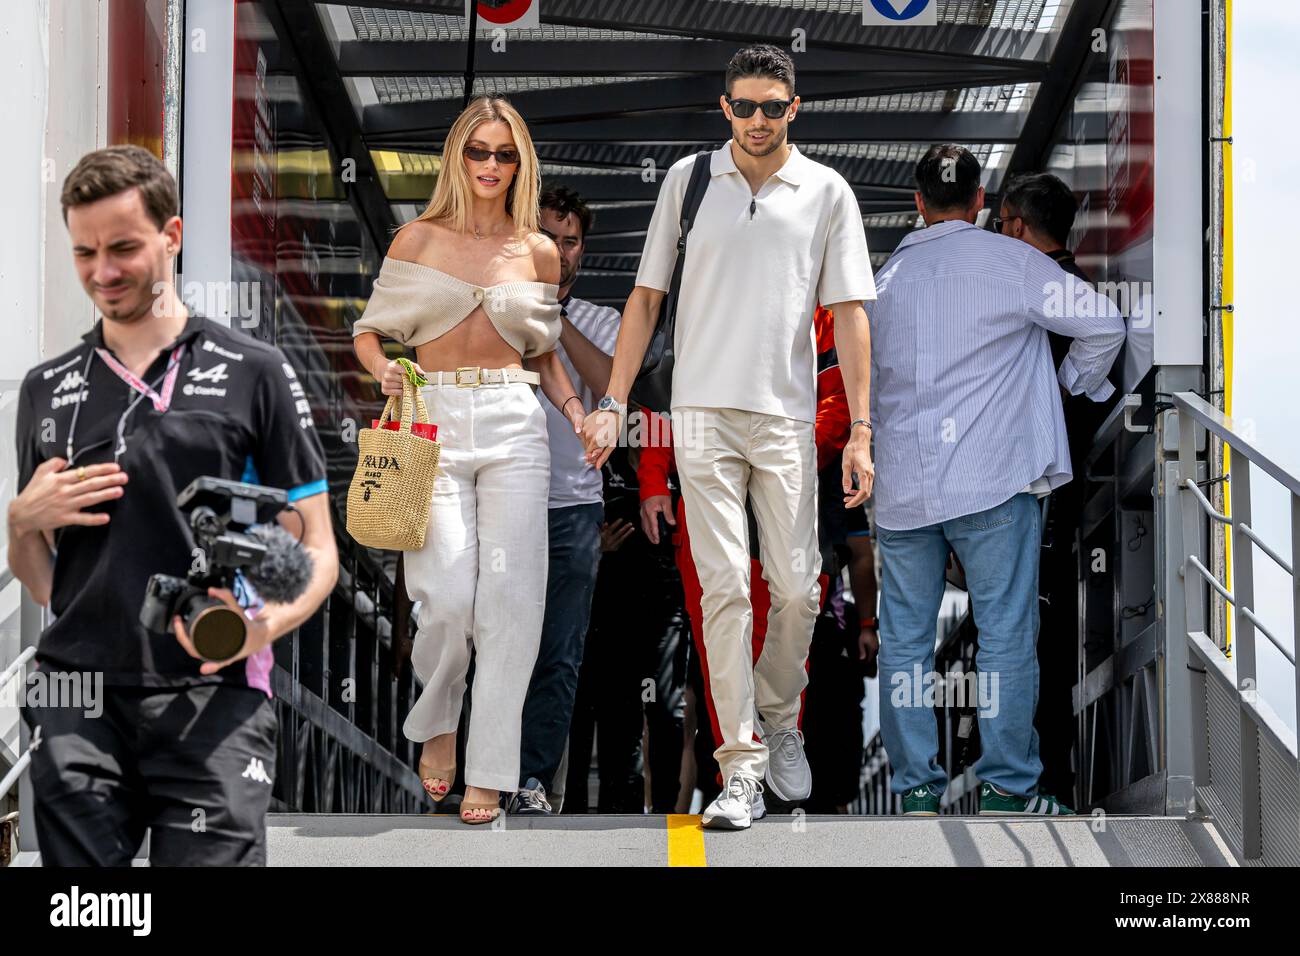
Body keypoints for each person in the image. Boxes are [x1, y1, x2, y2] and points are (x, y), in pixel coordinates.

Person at [9, 145, 338, 865]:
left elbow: (318, 547)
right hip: (80, 695)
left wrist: (260, 629)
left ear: (173, 235)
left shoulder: (255, 372)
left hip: (214, 693)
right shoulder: (44, 388)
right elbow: (38, 564)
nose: (104, 272)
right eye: (84, 252)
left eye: (124, 247)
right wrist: (20, 521)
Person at [582, 44, 877, 830]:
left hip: (783, 419)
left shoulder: (827, 191)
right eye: (743, 106)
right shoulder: (686, 184)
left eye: (771, 108)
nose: (756, 120)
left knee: (798, 589)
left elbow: (851, 317)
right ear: (724, 108)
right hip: (700, 418)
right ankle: (741, 766)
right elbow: (645, 301)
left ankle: (779, 718)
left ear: (794, 109)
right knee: (720, 594)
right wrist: (614, 400)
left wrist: (862, 432)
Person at [870, 145, 1125, 817]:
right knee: (1007, 634)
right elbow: (1107, 325)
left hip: (903, 490)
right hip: (995, 482)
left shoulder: (884, 281)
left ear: (918, 203)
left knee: (904, 640)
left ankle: (917, 790)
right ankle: (1012, 790)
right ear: (980, 202)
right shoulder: (1014, 262)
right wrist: (1069, 386)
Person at [350, 95, 584, 825]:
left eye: (504, 154)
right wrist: (382, 369)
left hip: (516, 423)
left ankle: (491, 766)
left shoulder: (537, 251)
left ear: (521, 164)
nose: (490, 165)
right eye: (479, 151)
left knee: (512, 608)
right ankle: (439, 722)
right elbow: (370, 332)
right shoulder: (416, 240)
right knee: (447, 599)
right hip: (434, 419)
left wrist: (581, 416)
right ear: (458, 156)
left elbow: (543, 357)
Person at [998, 171, 1118, 801]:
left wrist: (1056, 394)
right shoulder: (1059, 284)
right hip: (1043, 481)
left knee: (1033, 627)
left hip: (1040, 484)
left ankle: (1041, 777)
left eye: (1000, 224)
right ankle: (1040, 775)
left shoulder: (1057, 287)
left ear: (1018, 225)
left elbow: (1108, 333)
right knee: (1034, 624)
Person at [511, 187, 622, 815]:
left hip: (573, 505)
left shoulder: (601, 319)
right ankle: (482, 770)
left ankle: (529, 779)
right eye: (547, 235)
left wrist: (555, 316)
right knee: (493, 638)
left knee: (558, 650)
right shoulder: (501, 306)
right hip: (501, 494)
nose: (558, 248)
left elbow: (610, 384)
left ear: (584, 249)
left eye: (570, 239)